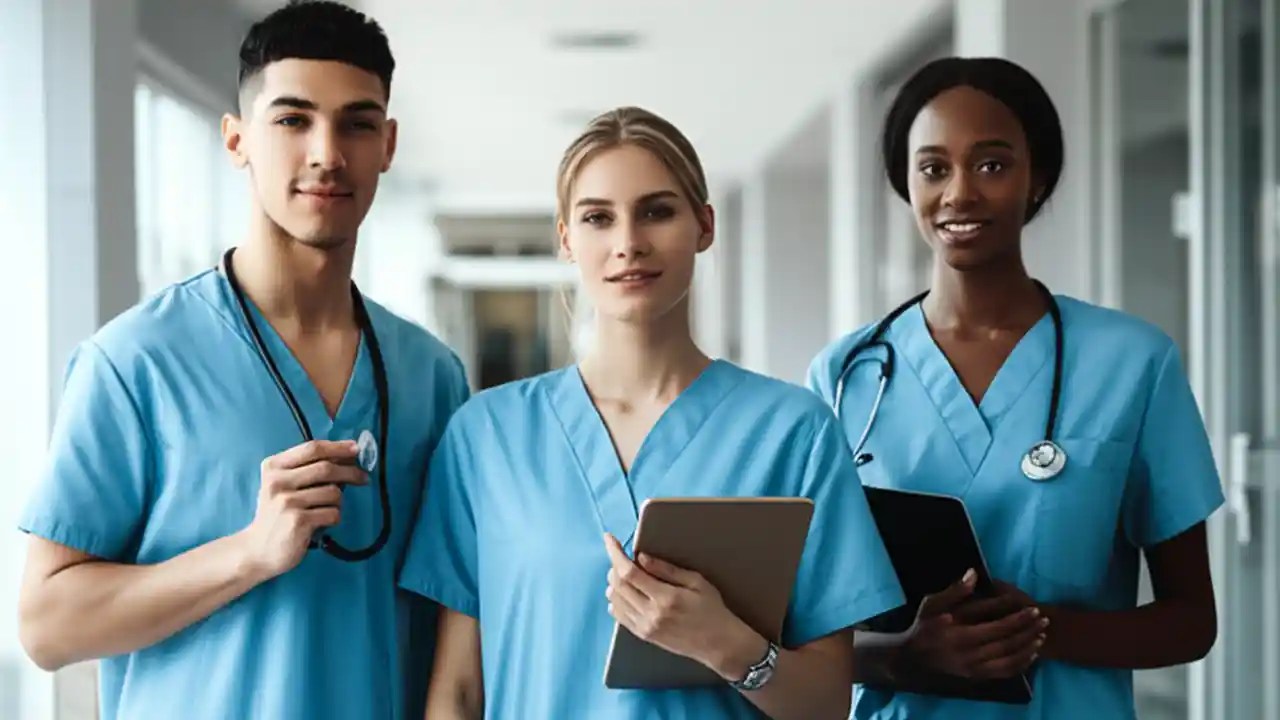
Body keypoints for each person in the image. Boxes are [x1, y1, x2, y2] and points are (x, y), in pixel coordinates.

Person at [16, 3, 468, 719]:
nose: (327, 152)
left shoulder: (431, 375)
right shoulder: (135, 362)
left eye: (356, 122)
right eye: (292, 120)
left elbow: (455, 624)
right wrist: (250, 553)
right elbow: (46, 626)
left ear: (386, 144)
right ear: (237, 140)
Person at [397, 106, 904, 720]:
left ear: (705, 225)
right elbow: (457, 691)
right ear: (565, 238)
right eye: (597, 218)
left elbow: (825, 705)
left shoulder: (793, 432)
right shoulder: (487, 435)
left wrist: (723, 641)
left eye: (657, 211)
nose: (628, 243)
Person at [807, 57, 1223, 719]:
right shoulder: (846, 373)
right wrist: (903, 655)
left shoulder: (1133, 363)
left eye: (992, 165)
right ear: (905, 183)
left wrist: (1043, 631)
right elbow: (805, 626)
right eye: (933, 168)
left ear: (1040, 177)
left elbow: (1192, 621)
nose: (960, 194)